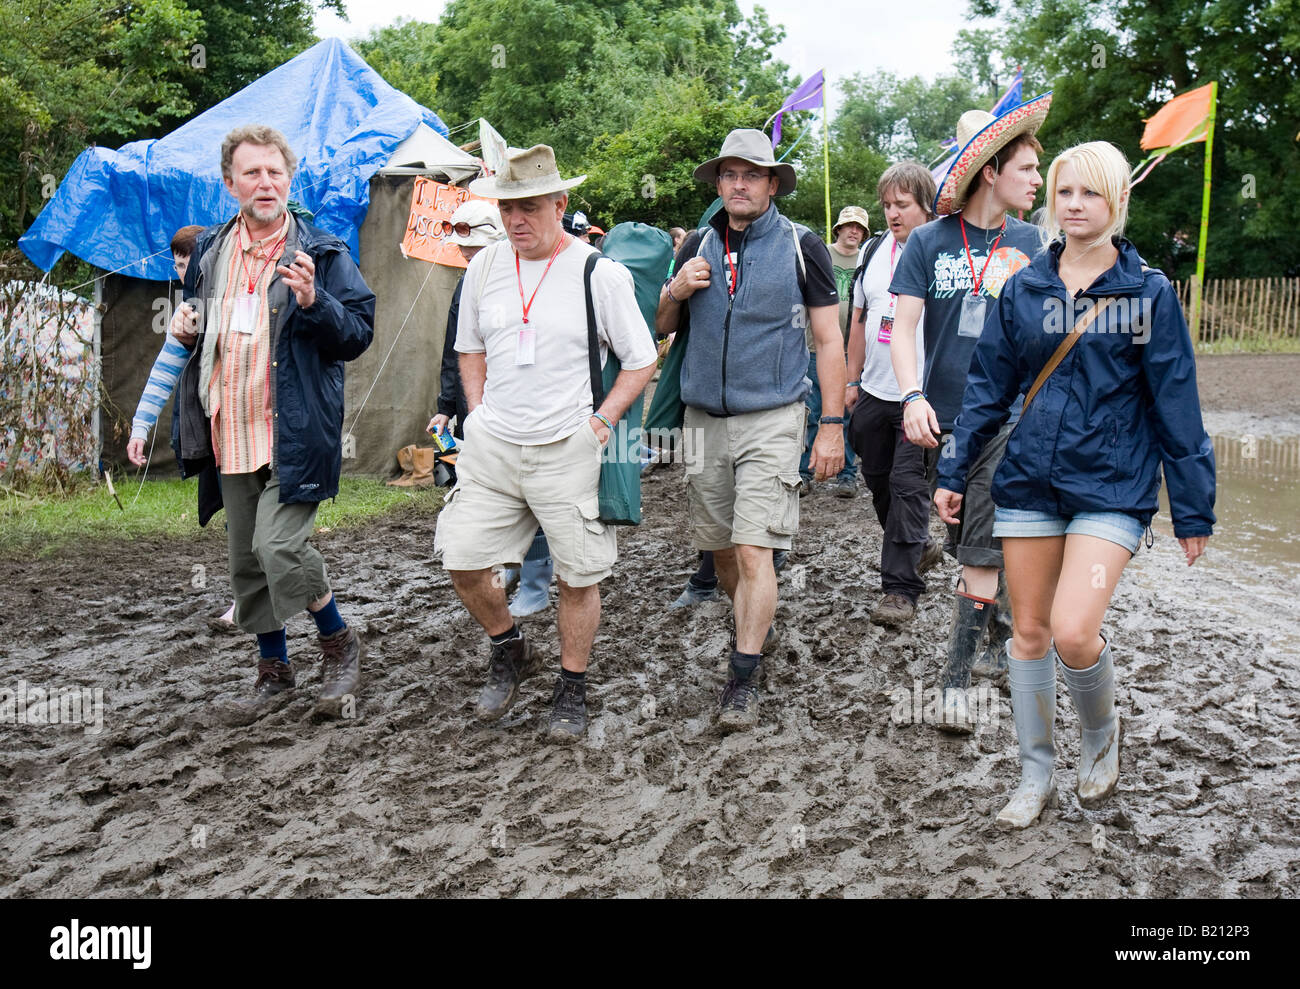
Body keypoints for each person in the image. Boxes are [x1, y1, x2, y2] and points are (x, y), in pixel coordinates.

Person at [934, 140, 1215, 827]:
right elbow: (987, 388)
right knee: (1026, 632)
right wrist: (954, 469)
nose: (1075, 204)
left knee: (1071, 629)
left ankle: (1100, 734)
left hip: (1112, 488)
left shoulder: (1147, 293)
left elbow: (1175, 403)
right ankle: (1034, 772)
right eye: (1064, 192)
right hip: (1028, 481)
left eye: (1091, 193)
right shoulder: (1024, 286)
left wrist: (1193, 508)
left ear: (1117, 201)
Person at [433, 145, 658, 742]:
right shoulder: (484, 268)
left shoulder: (597, 272)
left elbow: (641, 359)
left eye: (529, 207)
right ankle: (508, 646)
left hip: (568, 445)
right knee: (461, 559)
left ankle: (571, 685)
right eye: (507, 209)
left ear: (560, 204)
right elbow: (469, 348)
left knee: (577, 577)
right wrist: (477, 414)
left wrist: (601, 423)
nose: (516, 221)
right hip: (494, 447)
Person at [171, 124, 375, 716]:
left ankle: (338, 643)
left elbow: (357, 334)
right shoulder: (208, 252)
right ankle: (274, 669)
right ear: (230, 182)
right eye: (252, 172)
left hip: (293, 430)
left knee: (277, 546)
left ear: (289, 179)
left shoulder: (325, 251)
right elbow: (198, 324)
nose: (265, 183)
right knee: (244, 561)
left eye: (275, 172)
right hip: (227, 426)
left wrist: (315, 303)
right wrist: (184, 327)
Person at [656, 128, 844, 731]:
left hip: (774, 416)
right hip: (703, 420)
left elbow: (828, 339)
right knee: (720, 548)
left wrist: (831, 425)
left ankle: (742, 678)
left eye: (752, 175)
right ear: (718, 183)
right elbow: (663, 325)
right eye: (729, 174)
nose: (739, 184)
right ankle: (751, 622)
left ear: (770, 184)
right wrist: (676, 290)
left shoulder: (802, 245)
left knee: (752, 545)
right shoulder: (698, 246)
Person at [889, 95, 1052, 730]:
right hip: (939, 419)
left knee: (982, 548)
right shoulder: (928, 241)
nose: (1038, 182)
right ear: (991, 171)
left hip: (1008, 416)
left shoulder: (1036, 242)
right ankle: (996, 626)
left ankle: (954, 685)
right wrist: (912, 396)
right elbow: (903, 329)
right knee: (968, 542)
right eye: (1028, 169)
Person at [126, 224, 240, 633]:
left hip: (262, 429)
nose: (179, 269)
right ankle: (247, 600)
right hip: (220, 434)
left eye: (185, 261)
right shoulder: (188, 311)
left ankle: (277, 598)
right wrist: (141, 426)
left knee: (268, 524)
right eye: (174, 262)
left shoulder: (239, 297)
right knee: (238, 517)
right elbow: (164, 370)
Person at [844, 163, 945, 626]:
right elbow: (859, 321)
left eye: (901, 205)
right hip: (873, 389)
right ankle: (918, 545)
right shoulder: (871, 250)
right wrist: (850, 379)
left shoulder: (943, 251)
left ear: (927, 204)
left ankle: (900, 591)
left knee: (909, 487)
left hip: (921, 394)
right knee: (877, 477)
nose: (892, 213)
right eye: (886, 204)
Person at [800, 205, 867, 498]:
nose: (853, 231)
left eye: (859, 228)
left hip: (851, 352)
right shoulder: (821, 254)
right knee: (811, 412)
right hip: (815, 347)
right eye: (849, 225)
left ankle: (847, 475)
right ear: (838, 228)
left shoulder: (868, 259)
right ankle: (803, 473)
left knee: (848, 415)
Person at [429, 200, 506, 441]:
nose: (464, 251)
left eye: (472, 245)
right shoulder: (466, 285)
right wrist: (446, 408)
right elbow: (455, 349)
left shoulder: (522, 278)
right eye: (462, 246)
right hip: (473, 403)